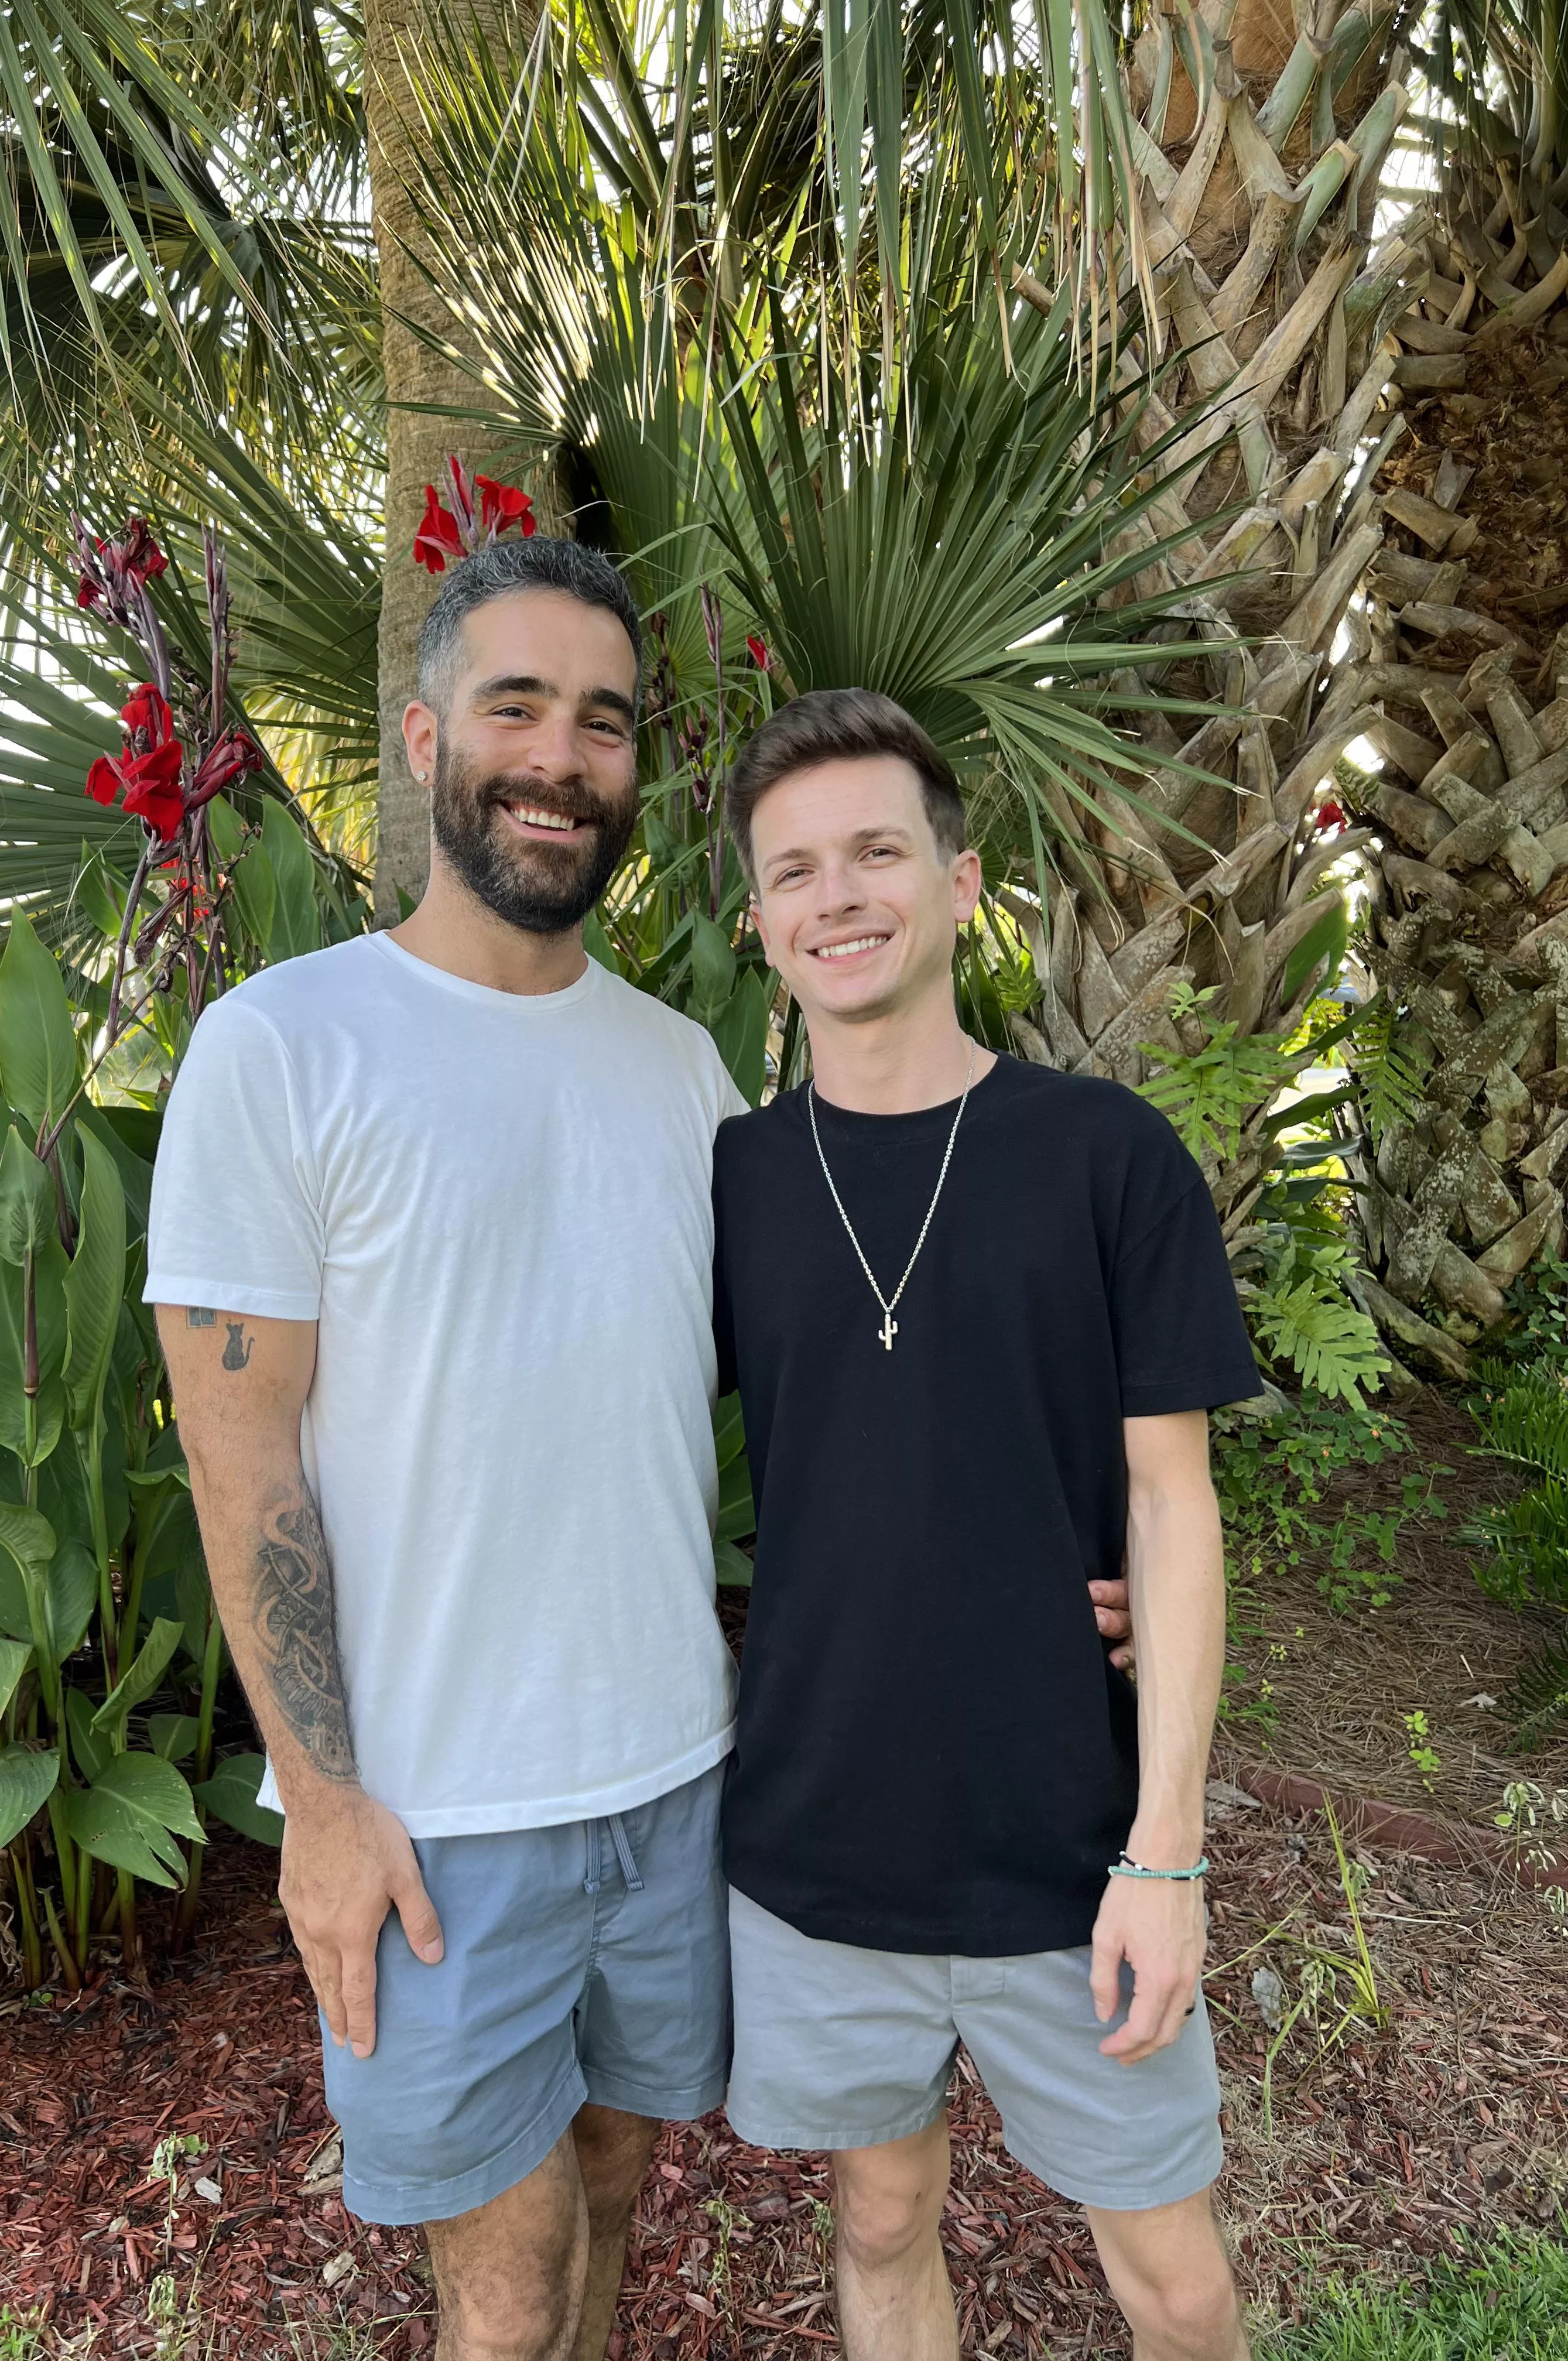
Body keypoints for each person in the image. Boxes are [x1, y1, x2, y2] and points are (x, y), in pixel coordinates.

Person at [146, 540, 1132, 2360]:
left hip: (680, 1786)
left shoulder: (687, 1074)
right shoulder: (283, 1048)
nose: (560, 755)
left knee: (610, 2201)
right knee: (503, 2302)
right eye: (515, 706)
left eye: (602, 721)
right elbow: (242, 1463)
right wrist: (328, 1806)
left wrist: (1076, 1567)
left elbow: (864, 1390)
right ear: (427, 734)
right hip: (440, 1819)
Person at [710, 689, 1261, 2361]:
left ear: (961, 883)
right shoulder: (726, 1180)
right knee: (878, 2226)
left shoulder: (1102, 1156)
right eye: (796, 871)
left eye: (878, 851)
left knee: (1173, 2277)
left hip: (1071, 1848)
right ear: (759, 924)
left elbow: (1172, 1502)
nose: (839, 896)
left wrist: (1165, 1853)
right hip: (820, 1848)